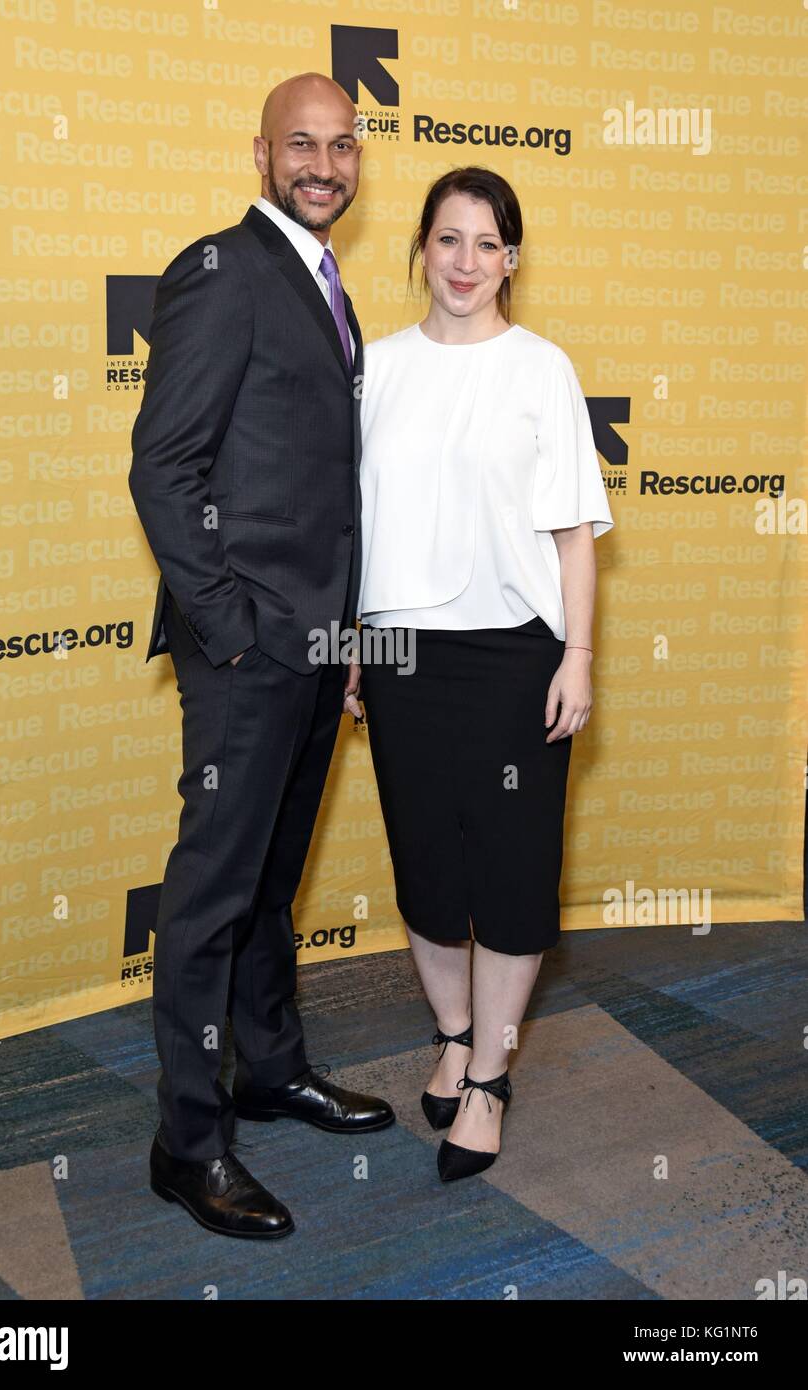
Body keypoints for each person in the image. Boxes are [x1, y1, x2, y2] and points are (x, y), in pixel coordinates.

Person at [129, 73, 394, 1241]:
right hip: (246, 651)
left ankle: (268, 1067)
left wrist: (341, 639)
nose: (323, 164)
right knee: (209, 899)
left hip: (314, 641)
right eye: (302, 144)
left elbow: (318, 489)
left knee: (271, 887)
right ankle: (190, 1144)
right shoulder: (222, 272)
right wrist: (232, 632)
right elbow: (163, 467)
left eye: (342, 146)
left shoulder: (328, 286)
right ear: (261, 153)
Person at [343, 166, 614, 1183]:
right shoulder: (375, 368)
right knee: (426, 868)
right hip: (403, 651)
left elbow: (575, 537)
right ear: (420, 248)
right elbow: (353, 530)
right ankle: (454, 1033)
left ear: (513, 258)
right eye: (447, 240)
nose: (465, 263)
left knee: (508, 873)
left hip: (514, 656)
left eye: (486, 243)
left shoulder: (543, 369)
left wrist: (578, 655)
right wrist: (355, 646)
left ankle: (491, 1079)